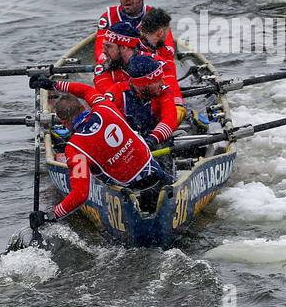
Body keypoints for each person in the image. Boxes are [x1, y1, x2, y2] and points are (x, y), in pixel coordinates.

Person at [27, 76, 169, 227]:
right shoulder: (104, 105)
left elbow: (81, 194)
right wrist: (54, 84)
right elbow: (85, 90)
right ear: (83, 107)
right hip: (160, 178)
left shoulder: (75, 149)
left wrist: (50, 216)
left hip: (133, 197)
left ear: (64, 122)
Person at [93, 0, 174, 64]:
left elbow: (170, 51)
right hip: (117, 67)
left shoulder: (156, 17)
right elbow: (99, 54)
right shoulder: (108, 17)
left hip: (148, 66)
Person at [121, 53, 179, 152]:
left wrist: (152, 140)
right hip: (126, 146)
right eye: (157, 80)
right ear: (142, 84)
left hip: (153, 143)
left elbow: (170, 120)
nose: (163, 83)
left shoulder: (164, 91)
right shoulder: (118, 92)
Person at [137, 7, 184, 109]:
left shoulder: (159, 50)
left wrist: (176, 102)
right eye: (168, 31)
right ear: (160, 33)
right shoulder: (136, 52)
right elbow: (169, 77)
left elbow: (169, 77)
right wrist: (177, 104)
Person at [93, 21, 141, 109]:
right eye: (103, 46)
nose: (103, 51)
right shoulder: (102, 67)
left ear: (123, 48)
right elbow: (111, 99)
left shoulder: (153, 62)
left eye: (108, 46)